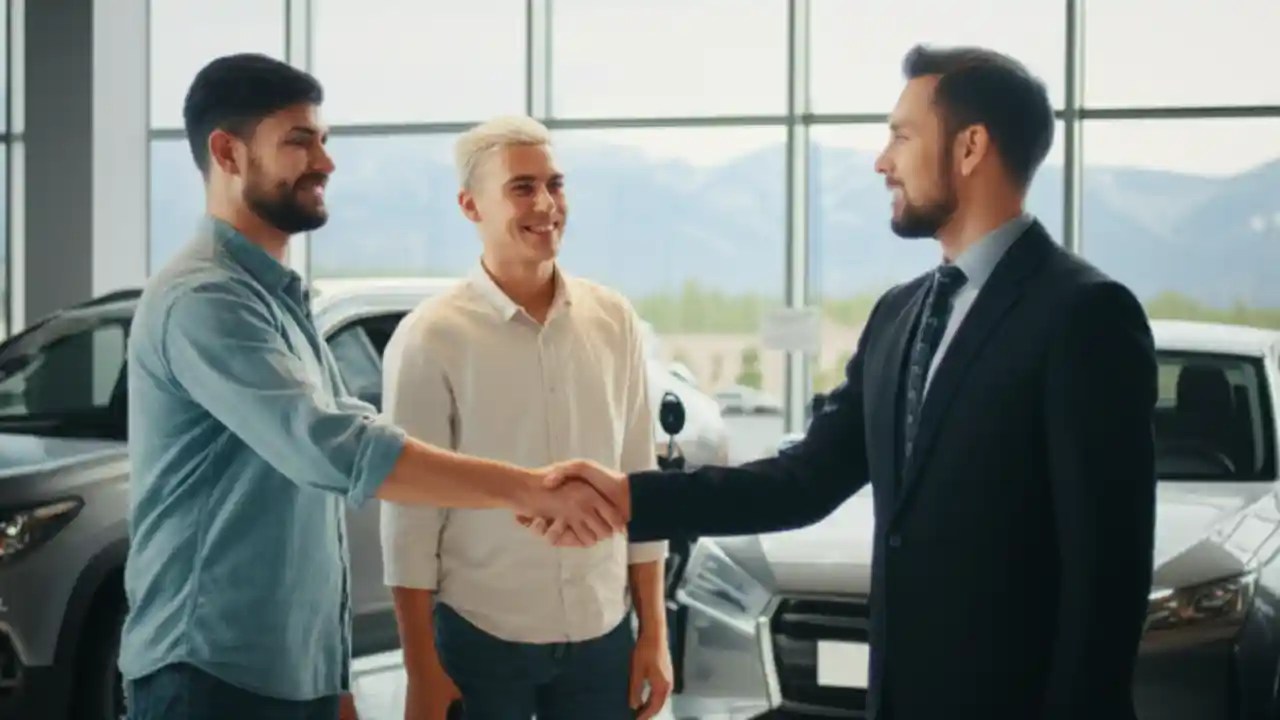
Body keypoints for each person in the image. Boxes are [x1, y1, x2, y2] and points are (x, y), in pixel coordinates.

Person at [538, 45, 1159, 720]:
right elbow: (803, 480)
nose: (882, 161)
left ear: (971, 147)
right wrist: (629, 497)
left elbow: (1107, 571)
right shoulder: (899, 314)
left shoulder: (1084, 315)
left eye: (901, 136)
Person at [119, 55, 623, 720]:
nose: (325, 163)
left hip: (286, 675)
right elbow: (333, 449)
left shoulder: (274, 298)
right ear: (227, 153)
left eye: (324, 141)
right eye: (299, 141)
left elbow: (339, 450)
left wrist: (333, 681)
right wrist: (528, 489)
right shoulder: (205, 299)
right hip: (210, 676)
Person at [380, 116, 673, 720]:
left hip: (603, 634)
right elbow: (410, 518)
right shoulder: (431, 336)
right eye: (521, 187)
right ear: (470, 206)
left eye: (554, 184)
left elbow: (640, 479)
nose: (546, 204)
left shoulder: (614, 319)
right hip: (480, 639)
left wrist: (654, 633)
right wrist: (421, 670)